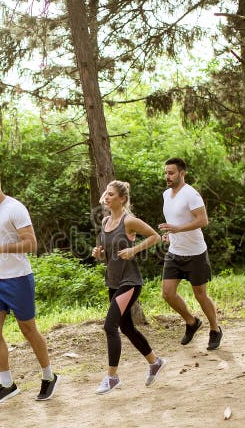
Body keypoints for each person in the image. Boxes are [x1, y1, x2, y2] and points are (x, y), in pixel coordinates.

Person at [0, 166, 60, 404]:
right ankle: (7, 384)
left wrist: (0, 250)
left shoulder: (15, 209)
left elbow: (31, 244)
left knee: (28, 331)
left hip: (19, 278)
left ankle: (49, 376)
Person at [91, 180, 166, 394]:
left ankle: (112, 377)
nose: (107, 197)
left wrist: (134, 250)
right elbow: (108, 256)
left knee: (109, 326)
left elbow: (155, 237)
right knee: (126, 327)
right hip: (113, 282)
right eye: (106, 193)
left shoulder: (129, 221)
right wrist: (99, 255)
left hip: (130, 282)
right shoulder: (105, 221)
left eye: (111, 194)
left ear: (122, 199)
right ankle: (155, 362)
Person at [159, 158, 223, 351]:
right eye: (166, 173)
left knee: (200, 295)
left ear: (182, 173)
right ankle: (192, 322)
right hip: (175, 252)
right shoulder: (166, 195)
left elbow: (203, 220)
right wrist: (170, 235)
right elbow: (174, 220)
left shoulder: (191, 194)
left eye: (171, 173)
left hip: (195, 253)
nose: (167, 177)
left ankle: (215, 329)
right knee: (167, 293)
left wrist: (178, 229)